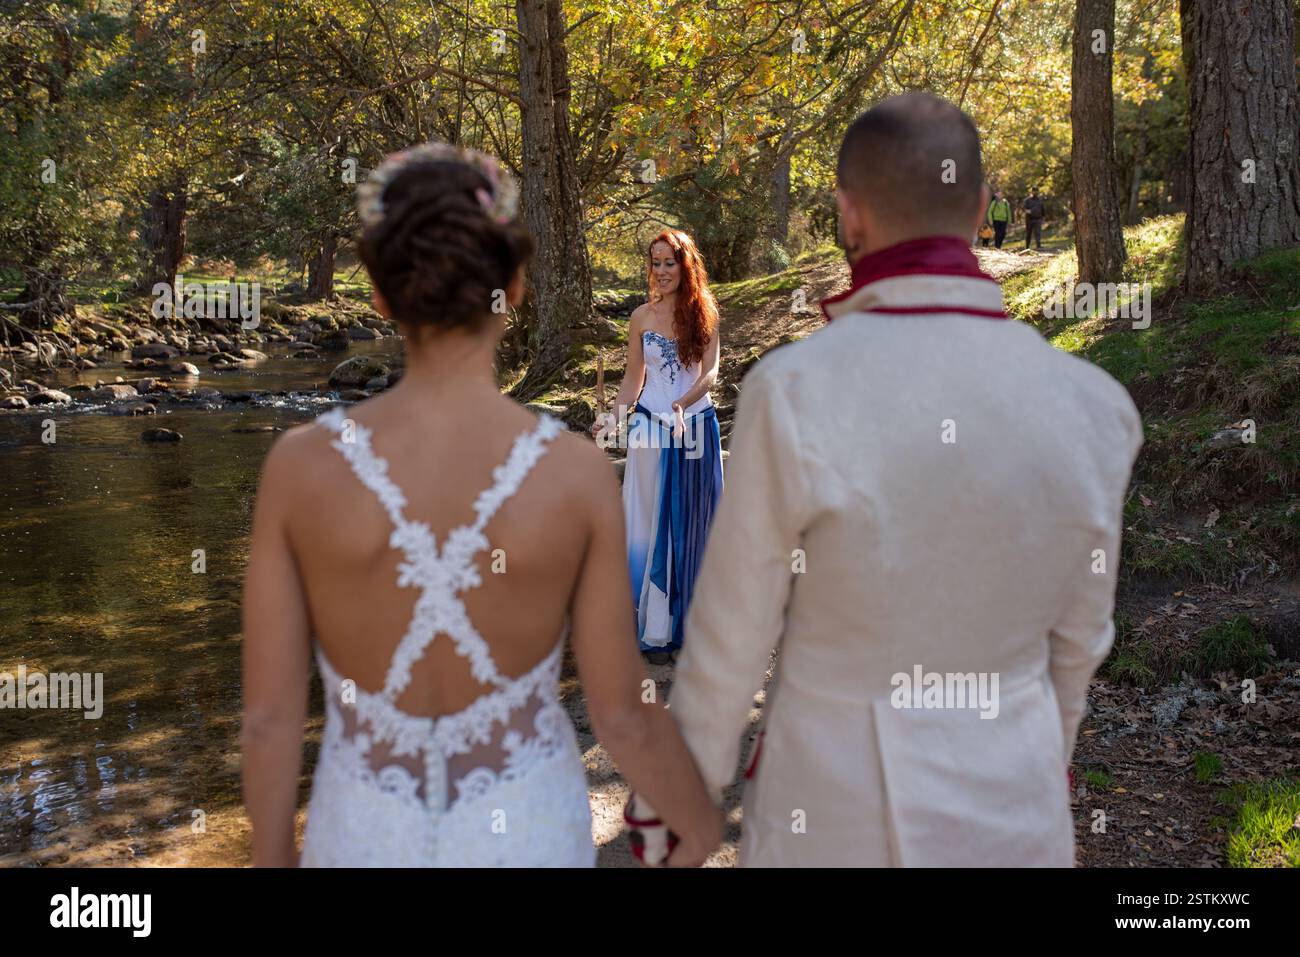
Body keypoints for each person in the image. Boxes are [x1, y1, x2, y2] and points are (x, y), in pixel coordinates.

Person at [660, 92, 1143, 866]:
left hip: (830, 810)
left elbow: (733, 630)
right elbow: (1080, 641)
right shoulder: (1098, 408)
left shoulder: (793, 390)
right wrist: (1036, 755)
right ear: (983, 208)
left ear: (849, 216)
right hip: (1014, 810)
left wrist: (678, 798)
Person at [241, 143, 721, 867]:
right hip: (528, 832)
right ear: (517, 286)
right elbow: (624, 716)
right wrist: (702, 829)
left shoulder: (300, 468)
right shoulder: (573, 474)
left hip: (363, 839)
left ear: (378, 292)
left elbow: (272, 723)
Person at [592, 229, 723, 667]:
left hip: (695, 428)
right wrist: (614, 416)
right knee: (647, 524)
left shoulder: (704, 312)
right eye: (655, 262)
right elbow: (633, 379)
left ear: (686, 265)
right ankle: (655, 629)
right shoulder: (641, 317)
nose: (661, 270)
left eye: (669, 262)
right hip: (649, 429)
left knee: (693, 523)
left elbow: (710, 374)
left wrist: (684, 404)